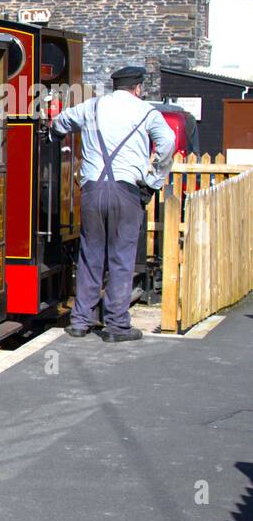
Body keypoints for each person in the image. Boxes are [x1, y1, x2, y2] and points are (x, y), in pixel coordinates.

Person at [50, 65, 176, 342]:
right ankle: (117, 325)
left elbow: (59, 123)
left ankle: (81, 320)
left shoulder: (92, 107)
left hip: (93, 188)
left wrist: (54, 138)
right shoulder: (146, 112)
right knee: (121, 257)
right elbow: (168, 142)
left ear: (115, 85)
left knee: (90, 255)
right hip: (127, 189)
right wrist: (154, 178)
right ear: (138, 87)